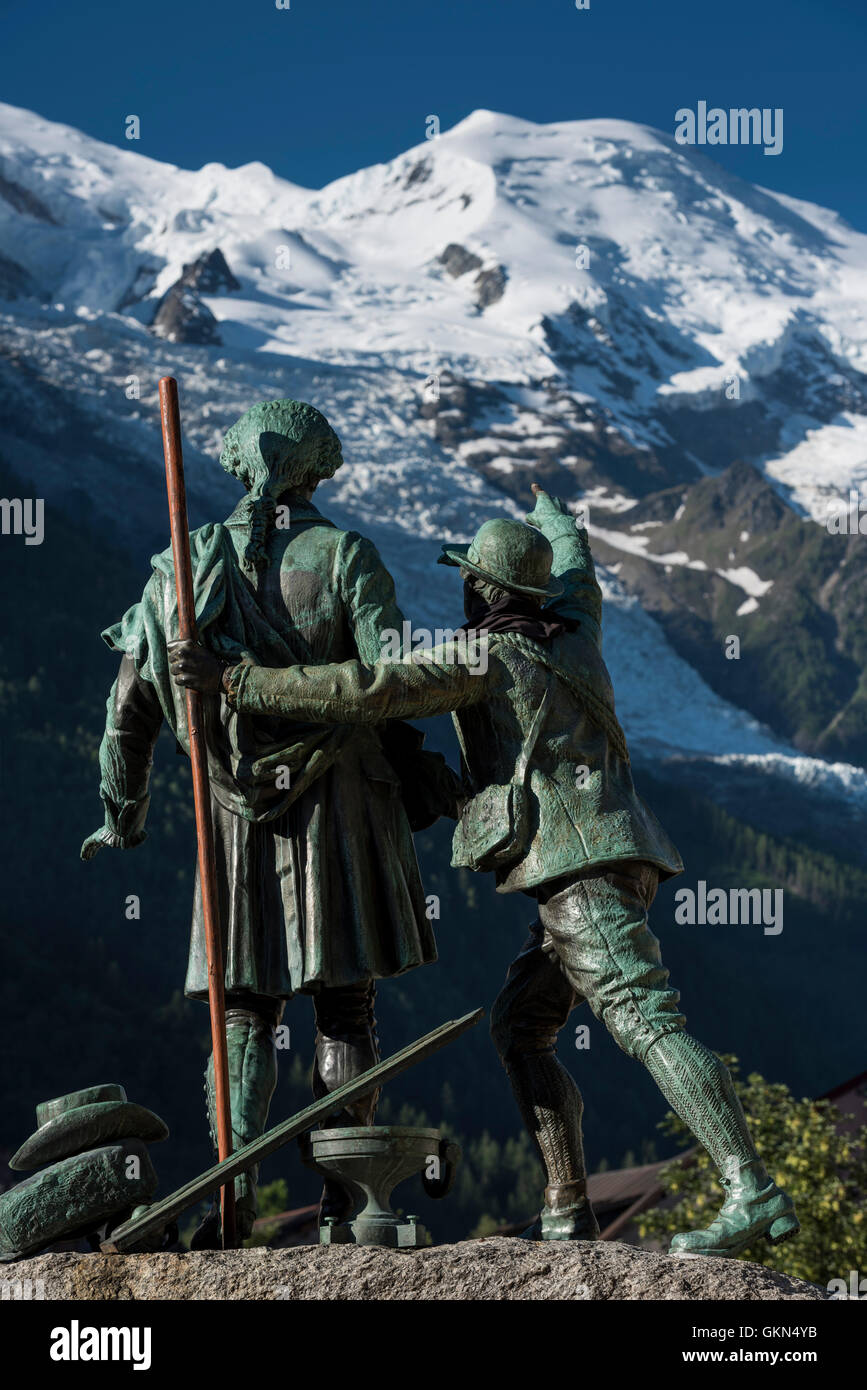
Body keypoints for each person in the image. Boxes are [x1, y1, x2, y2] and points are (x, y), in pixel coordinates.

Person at [171, 483, 799, 1257]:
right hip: (622, 857)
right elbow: (577, 567)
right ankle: (568, 1209)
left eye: (468, 579)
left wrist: (238, 681)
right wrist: (552, 517)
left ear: (480, 589)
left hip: (580, 873)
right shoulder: (575, 632)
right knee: (522, 1026)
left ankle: (751, 1189)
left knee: (645, 1020)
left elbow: (371, 687)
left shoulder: (483, 657)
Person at [83, 399, 452, 1243]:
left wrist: (122, 813)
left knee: (243, 1008)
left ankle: (230, 1195)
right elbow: (386, 687)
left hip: (231, 818)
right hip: (343, 806)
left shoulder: (182, 568)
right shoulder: (343, 556)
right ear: (319, 469)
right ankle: (348, 1203)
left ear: (238, 465)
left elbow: (127, 711)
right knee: (344, 1006)